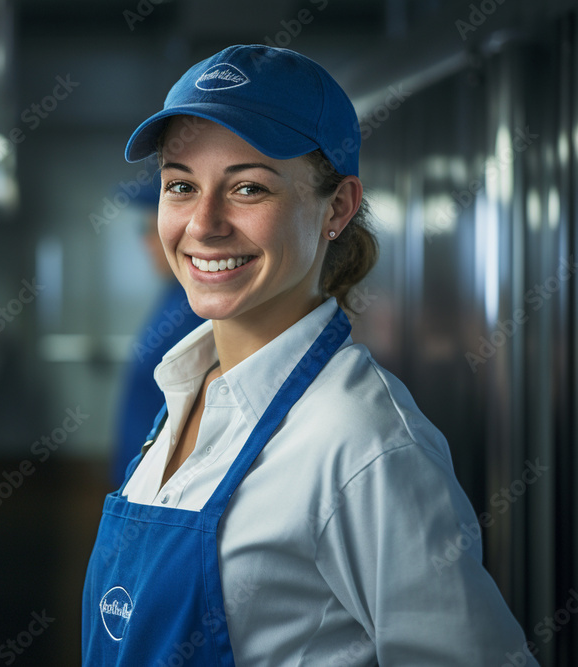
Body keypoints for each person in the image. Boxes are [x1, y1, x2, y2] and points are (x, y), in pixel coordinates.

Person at [82, 45, 538, 666]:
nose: (205, 223)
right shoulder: (188, 390)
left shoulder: (365, 446)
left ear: (338, 208)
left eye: (248, 187)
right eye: (181, 185)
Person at [112, 181, 205, 488]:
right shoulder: (172, 296)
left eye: (151, 230)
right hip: (139, 476)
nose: (147, 243)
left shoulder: (201, 307)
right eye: (145, 231)